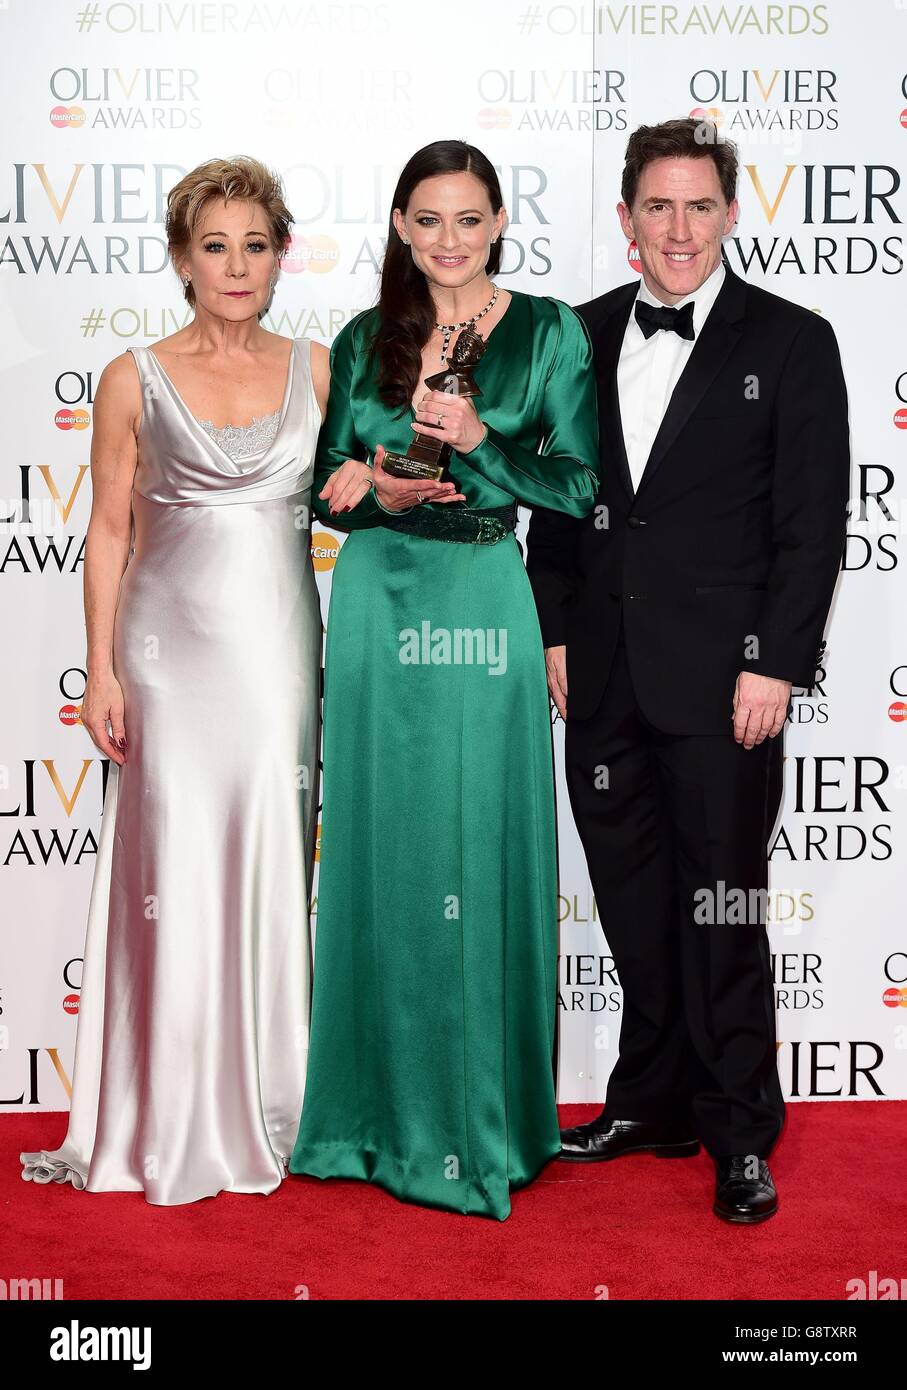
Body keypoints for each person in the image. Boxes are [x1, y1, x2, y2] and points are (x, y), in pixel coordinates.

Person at [527, 118, 850, 1224]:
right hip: (604, 680)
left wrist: (773, 663)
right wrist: (557, 631)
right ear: (625, 220)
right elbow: (558, 508)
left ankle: (738, 1129)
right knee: (632, 904)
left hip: (725, 689)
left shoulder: (792, 341)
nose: (677, 228)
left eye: (698, 205)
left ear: (728, 210)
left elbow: (811, 528)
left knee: (720, 906)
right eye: (656, 207)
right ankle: (651, 1101)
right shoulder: (577, 334)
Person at [289, 139, 600, 1221]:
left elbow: (577, 486)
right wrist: (364, 486)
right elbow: (324, 496)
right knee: (382, 841)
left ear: (502, 220)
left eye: (469, 219)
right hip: (378, 601)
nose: (449, 241)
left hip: (479, 595)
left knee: (474, 839)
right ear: (399, 226)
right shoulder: (366, 337)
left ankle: (483, 1124)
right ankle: (365, 1120)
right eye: (427, 220)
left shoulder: (550, 331)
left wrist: (478, 442)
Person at [20, 157, 328, 1204]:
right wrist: (101, 666)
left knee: (270, 853)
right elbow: (108, 531)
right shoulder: (131, 375)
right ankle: (161, 1113)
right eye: (215, 245)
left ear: (282, 253)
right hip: (165, 655)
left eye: (256, 243)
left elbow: (366, 498)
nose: (236, 265)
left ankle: (274, 1103)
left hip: (280, 654)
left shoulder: (319, 368)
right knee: (172, 870)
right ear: (180, 258)